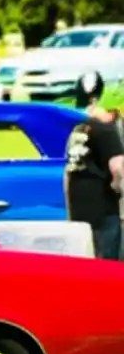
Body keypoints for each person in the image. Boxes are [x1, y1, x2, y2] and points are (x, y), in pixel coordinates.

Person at [65, 71, 124, 260]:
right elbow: (117, 166)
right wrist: (117, 187)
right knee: (107, 263)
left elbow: (67, 169)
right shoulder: (106, 129)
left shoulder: (76, 127)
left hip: (77, 203)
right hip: (102, 205)